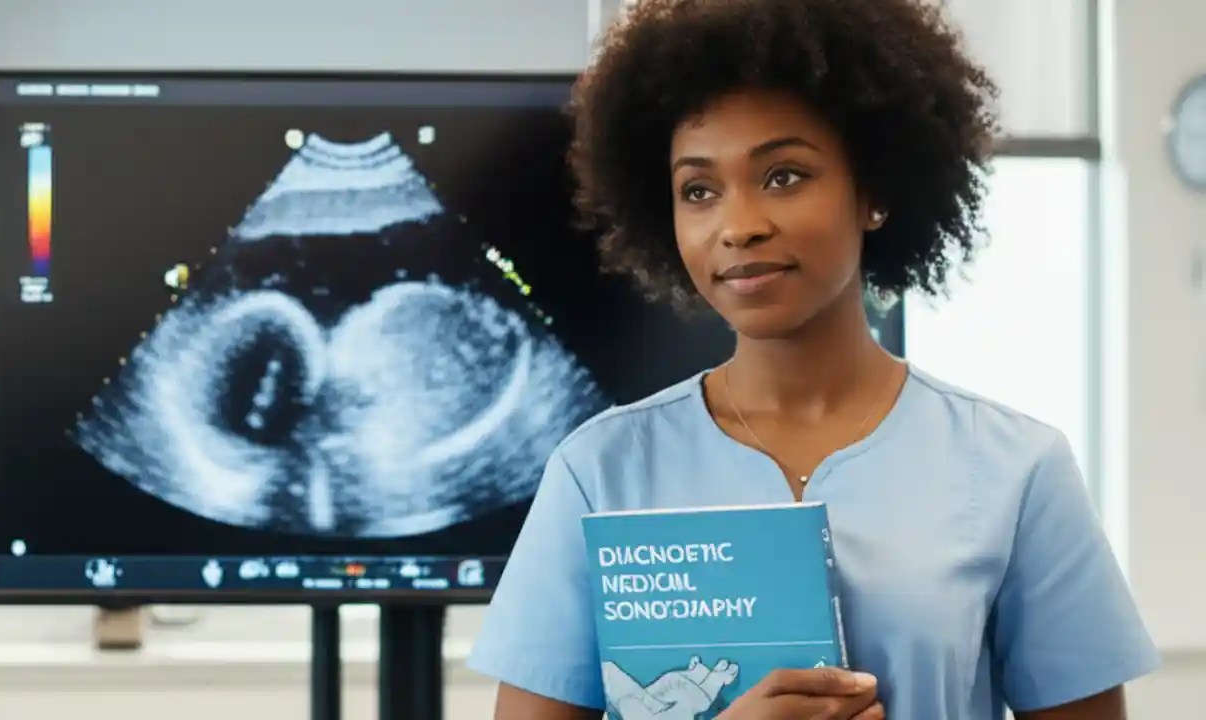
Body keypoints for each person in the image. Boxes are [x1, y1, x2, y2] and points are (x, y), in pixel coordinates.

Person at [467, 0, 1161, 718]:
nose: (739, 226)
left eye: (784, 176)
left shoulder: (1016, 470)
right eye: (698, 190)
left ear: (875, 192)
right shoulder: (599, 473)